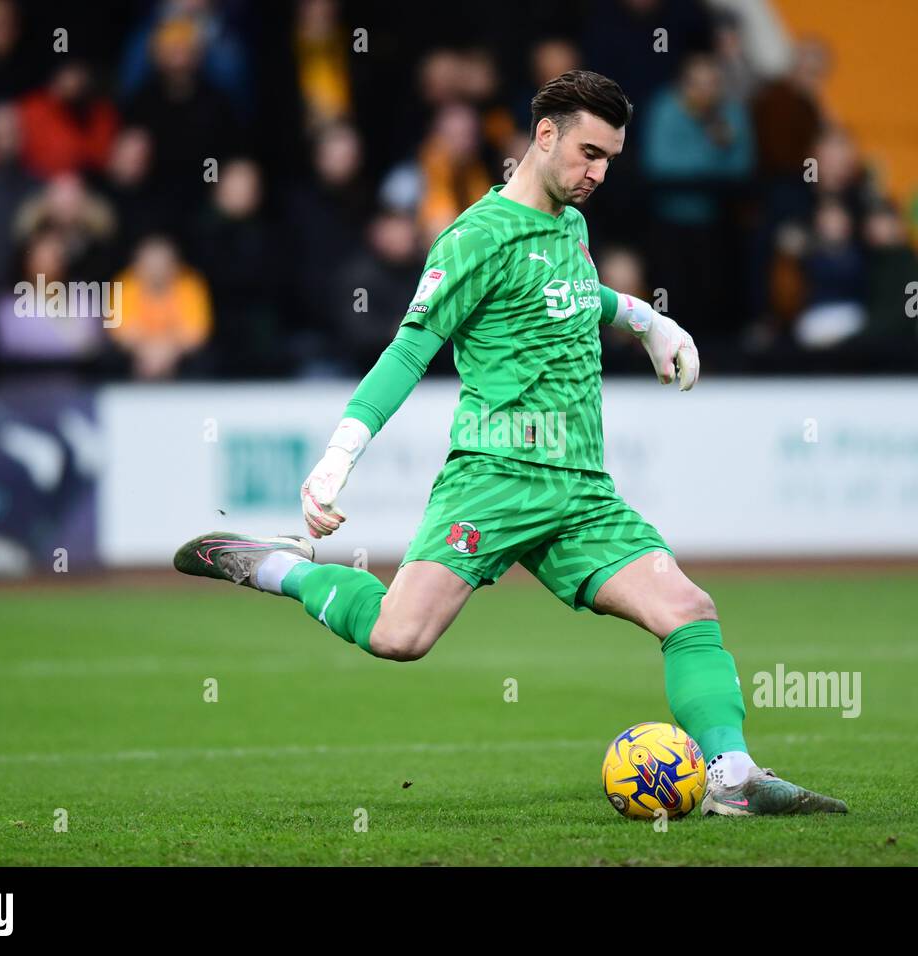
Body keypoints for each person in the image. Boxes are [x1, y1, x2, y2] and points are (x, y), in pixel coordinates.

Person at [174, 70, 847, 817]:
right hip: (494, 477)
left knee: (688, 610)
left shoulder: (570, 224)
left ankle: (732, 776)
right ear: (545, 134)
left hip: (582, 490)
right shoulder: (473, 238)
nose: (598, 174)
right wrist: (338, 459)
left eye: (611, 160)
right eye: (589, 153)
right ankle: (277, 568)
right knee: (400, 637)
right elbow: (407, 351)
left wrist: (643, 319)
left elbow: (564, 293)